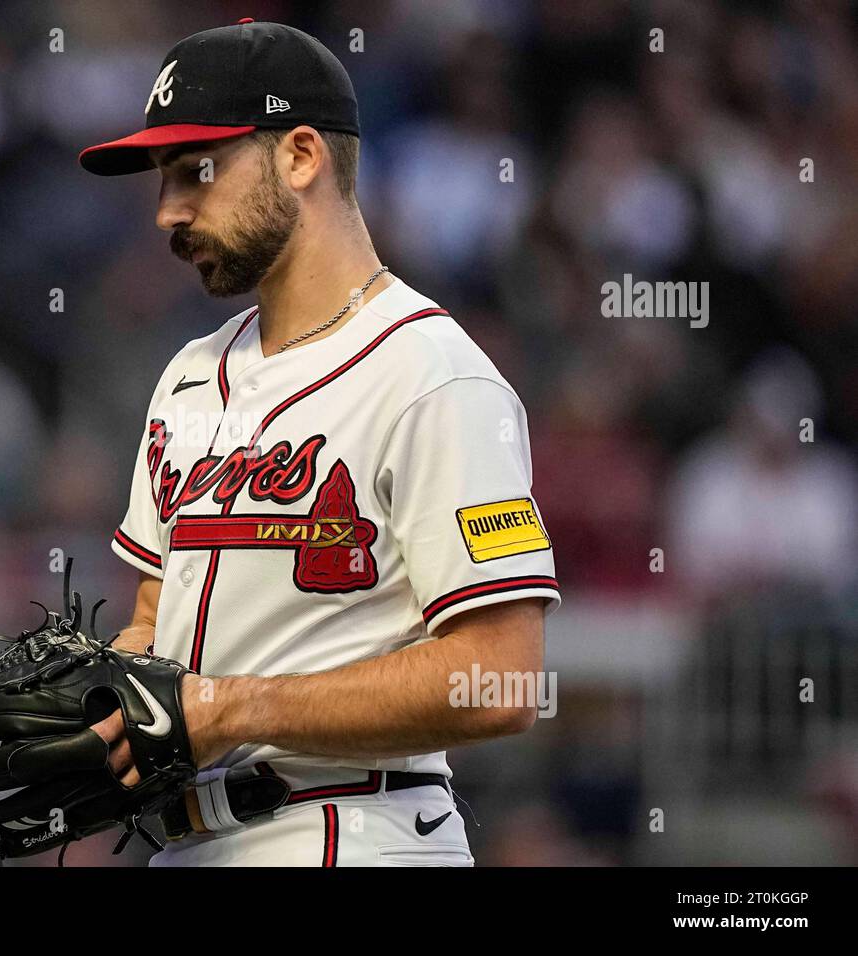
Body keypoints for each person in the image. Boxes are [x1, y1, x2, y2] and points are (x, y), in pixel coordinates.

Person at [78, 19, 560, 866]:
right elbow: (157, 627)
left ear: (301, 155)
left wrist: (234, 708)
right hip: (184, 844)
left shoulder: (434, 373)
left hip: (355, 827)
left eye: (196, 170)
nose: (167, 212)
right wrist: (102, 712)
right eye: (161, 180)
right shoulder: (189, 375)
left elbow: (506, 677)